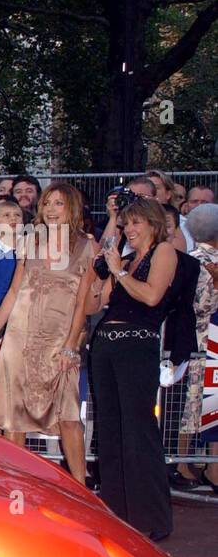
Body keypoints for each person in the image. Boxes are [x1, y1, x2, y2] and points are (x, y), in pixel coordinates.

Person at [0, 184, 98, 485]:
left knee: (69, 416)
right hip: (20, 335)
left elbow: (84, 302)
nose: (50, 209)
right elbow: (13, 292)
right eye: (47, 203)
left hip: (60, 340)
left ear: (71, 208)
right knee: (13, 416)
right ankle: (13, 483)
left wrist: (72, 344)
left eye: (58, 203)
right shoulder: (30, 241)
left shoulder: (87, 246)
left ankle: (80, 488)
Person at [86, 196, 178, 538]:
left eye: (136, 222)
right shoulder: (120, 260)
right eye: (126, 223)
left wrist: (120, 271)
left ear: (153, 224)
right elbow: (95, 305)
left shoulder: (163, 253)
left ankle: (150, 519)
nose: (130, 229)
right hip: (105, 345)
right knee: (110, 430)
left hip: (137, 347)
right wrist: (95, 278)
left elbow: (152, 296)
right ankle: (118, 516)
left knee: (137, 428)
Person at [172, 204, 218, 490]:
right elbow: (200, 305)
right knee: (196, 403)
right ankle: (181, 463)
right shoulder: (202, 262)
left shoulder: (190, 259)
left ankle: (189, 463)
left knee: (200, 403)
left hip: (203, 340)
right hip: (205, 339)